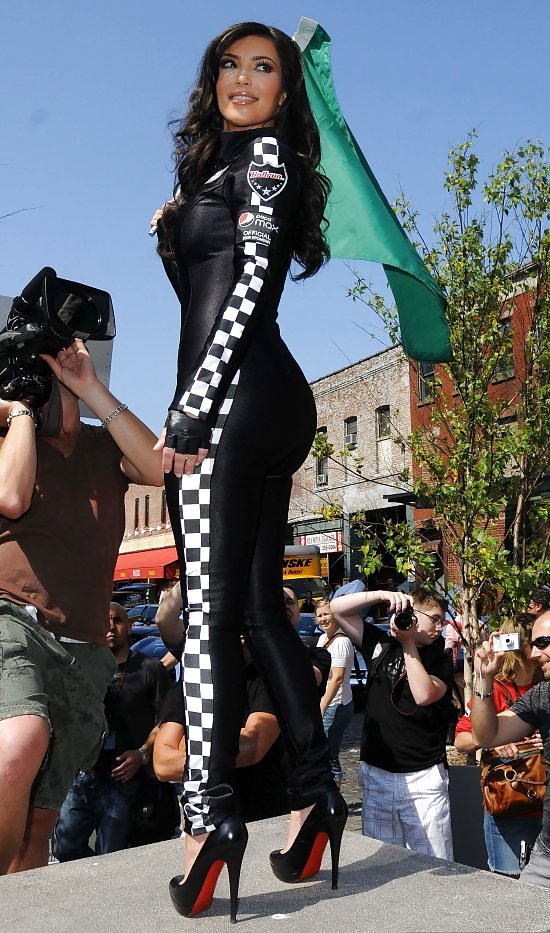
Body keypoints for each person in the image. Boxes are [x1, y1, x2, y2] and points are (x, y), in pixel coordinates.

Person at [151, 22, 345, 920]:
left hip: (233, 394)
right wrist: (172, 236)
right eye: (229, 63)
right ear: (211, 78)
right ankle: (317, 794)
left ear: (283, 90)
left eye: (263, 67)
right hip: (269, 392)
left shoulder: (261, 165)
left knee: (207, 613)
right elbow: (211, 288)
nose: (242, 78)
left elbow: (248, 281)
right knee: (261, 605)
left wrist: (192, 404)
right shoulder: (230, 174)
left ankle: (208, 817)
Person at [0, 338, 163, 874]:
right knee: (20, 738)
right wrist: (21, 412)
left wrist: (91, 388)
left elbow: (160, 471)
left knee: (39, 823)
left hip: (84, 648)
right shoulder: (9, 440)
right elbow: (12, 499)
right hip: (12, 620)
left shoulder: (102, 447)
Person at [331, 586, 455, 860]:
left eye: (442, 620)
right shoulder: (380, 644)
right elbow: (337, 609)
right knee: (382, 864)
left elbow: (423, 695)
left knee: (434, 864)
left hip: (423, 777)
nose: (440, 626)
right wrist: (382, 595)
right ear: (412, 613)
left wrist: (409, 643)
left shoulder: (439, 659)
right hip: (378, 775)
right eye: (434, 618)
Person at [52, 603, 173, 859]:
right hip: (83, 773)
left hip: (123, 776)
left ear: (129, 627)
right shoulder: (78, 669)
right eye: (103, 620)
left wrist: (142, 753)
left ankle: (104, 894)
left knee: (111, 854)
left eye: (117, 620)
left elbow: (167, 720)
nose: (110, 627)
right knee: (64, 847)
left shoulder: (151, 669)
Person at [154, 636, 289, 824]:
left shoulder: (267, 682)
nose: (240, 641)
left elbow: (252, 748)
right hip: (203, 818)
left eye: (245, 633)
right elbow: (163, 765)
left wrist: (190, 745)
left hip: (263, 817)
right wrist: (230, 746)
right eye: (233, 633)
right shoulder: (187, 687)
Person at [454, 615, 543, 876]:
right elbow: (462, 740)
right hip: (510, 805)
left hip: (544, 804)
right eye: (536, 642)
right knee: (508, 882)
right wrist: (499, 740)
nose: (539, 651)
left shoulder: (544, 686)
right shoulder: (495, 689)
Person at [314, 599, 354, 789]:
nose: (323, 619)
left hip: (335, 704)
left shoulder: (341, 641)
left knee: (328, 752)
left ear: (336, 616)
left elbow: (337, 678)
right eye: (319, 615)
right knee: (324, 751)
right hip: (327, 703)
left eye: (326, 614)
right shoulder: (323, 638)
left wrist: (322, 706)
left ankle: (333, 795)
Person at [283, 585, 331, 694]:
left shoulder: (318, 655)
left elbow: (307, 680)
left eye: (290, 602)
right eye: (278, 602)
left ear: (298, 614)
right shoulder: (252, 651)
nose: (284, 606)